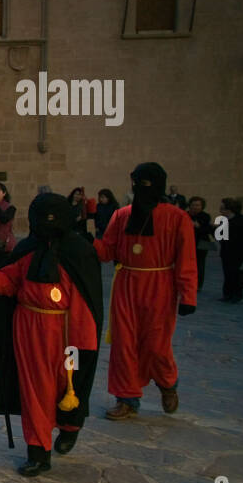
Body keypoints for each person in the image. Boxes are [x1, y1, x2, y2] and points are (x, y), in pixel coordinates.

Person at [0, 194, 103, 477]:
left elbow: (86, 299)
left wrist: (82, 342)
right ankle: (38, 451)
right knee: (34, 390)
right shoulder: (28, 249)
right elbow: (9, 281)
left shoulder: (79, 252)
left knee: (69, 385)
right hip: (28, 329)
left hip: (67, 331)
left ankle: (70, 427)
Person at [94, 162, 196, 420]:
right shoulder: (122, 216)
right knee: (123, 342)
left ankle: (167, 383)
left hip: (160, 285)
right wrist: (85, 241)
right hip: (126, 284)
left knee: (156, 343)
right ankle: (126, 398)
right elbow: (108, 251)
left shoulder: (177, 217)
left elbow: (187, 259)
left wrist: (188, 295)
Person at [216, 198, 243, 303]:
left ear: (229, 209)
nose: (221, 210)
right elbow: (221, 237)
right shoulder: (224, 220)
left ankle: (237, 295)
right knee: (227, 273)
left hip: (239, 252)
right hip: (226, 251)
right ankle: (227, 294)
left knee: (236, 274)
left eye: (223, 208)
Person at [187, 197, 211, 292]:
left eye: (198, 205)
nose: (195, 207)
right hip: (189, 242)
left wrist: (198, 226)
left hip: (202, 243)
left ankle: (198, 285)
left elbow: (206, 230)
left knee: (200, 264)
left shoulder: (205, 216)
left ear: (202, 206)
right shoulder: (186, 214)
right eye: (193, 205)